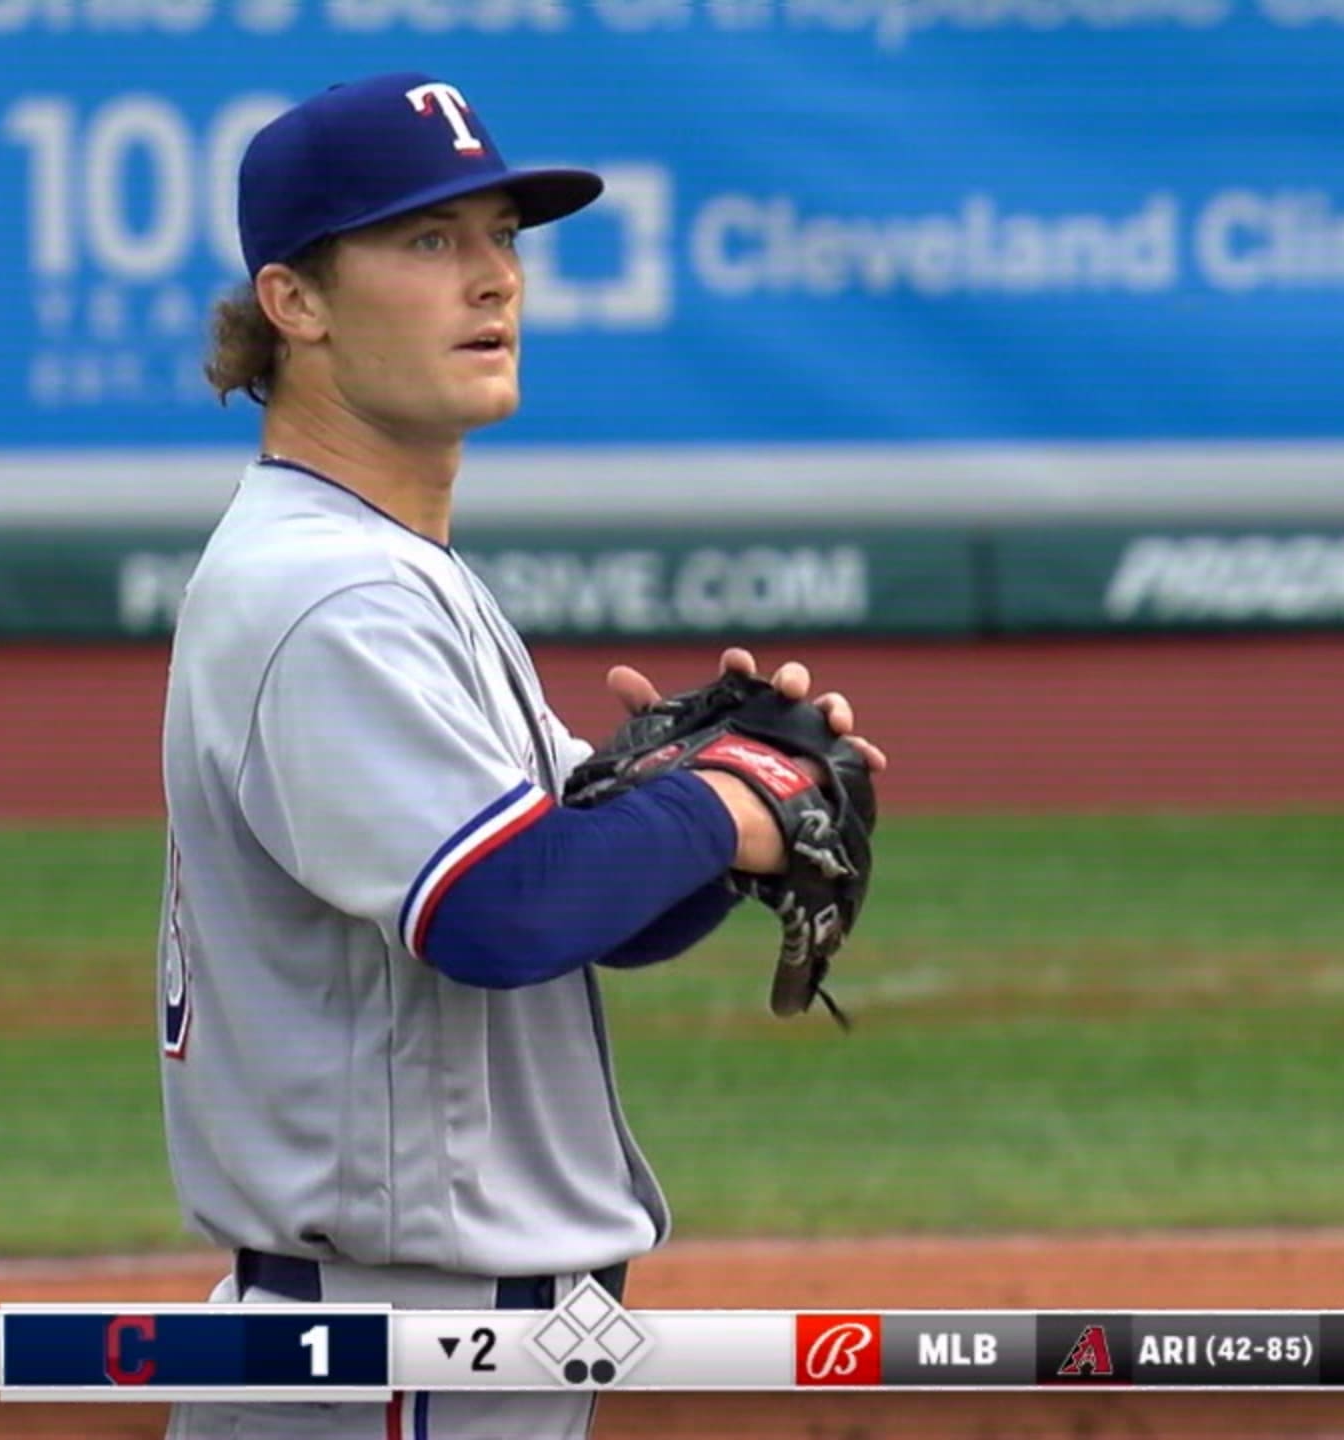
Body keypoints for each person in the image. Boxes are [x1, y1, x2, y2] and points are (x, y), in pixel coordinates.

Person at [157, 71, 888, 1440]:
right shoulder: (334, 597)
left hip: (440, 1336)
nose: (492, 279)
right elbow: (493, 915)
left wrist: (714, 824)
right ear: (294, 303)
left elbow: (596, 920)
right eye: (428, 241)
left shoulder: (385, 566)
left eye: (502, 236)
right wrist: (728, 806)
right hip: (398, 1353)